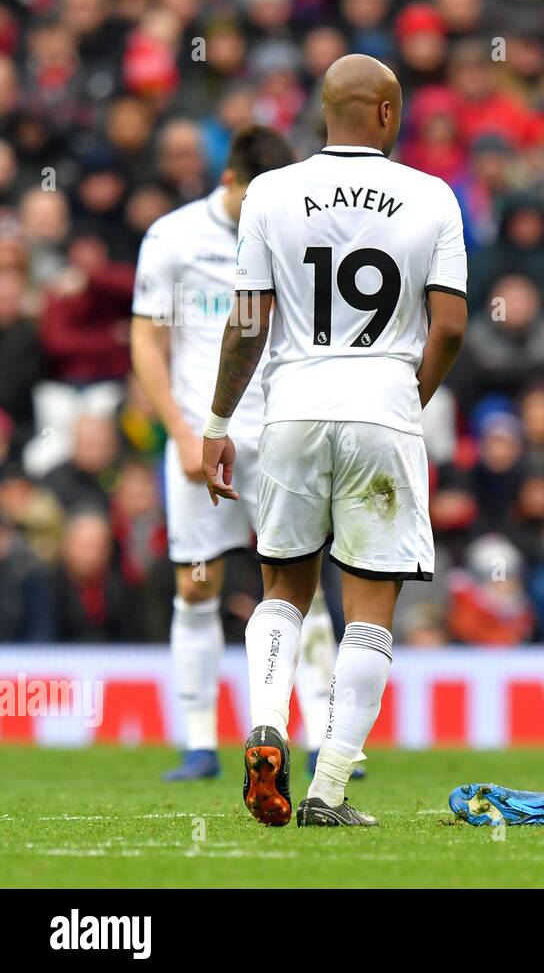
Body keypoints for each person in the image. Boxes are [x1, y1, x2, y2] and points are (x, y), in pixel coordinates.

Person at [202, 55, 468, 827]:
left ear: (325, 112)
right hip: (382, 403)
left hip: (291, 404)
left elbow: (248, 322)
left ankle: (264, 725)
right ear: (386, 115)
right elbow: (449, 324)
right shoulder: (431, 195)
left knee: (284, 588)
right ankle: (329, 788)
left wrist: (219, 422)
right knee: (371, 607)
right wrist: (411, 396)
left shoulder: (271, 193)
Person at [131, 126, 340, 782]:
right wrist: (181, 432)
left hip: (283, 435)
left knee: (301, 584)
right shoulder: (172, 237)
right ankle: (199, 743)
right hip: (202, 435)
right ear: (229, 182)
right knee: (198, 585)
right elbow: (147, 340)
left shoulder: (301, 234)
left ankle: (325, 741)